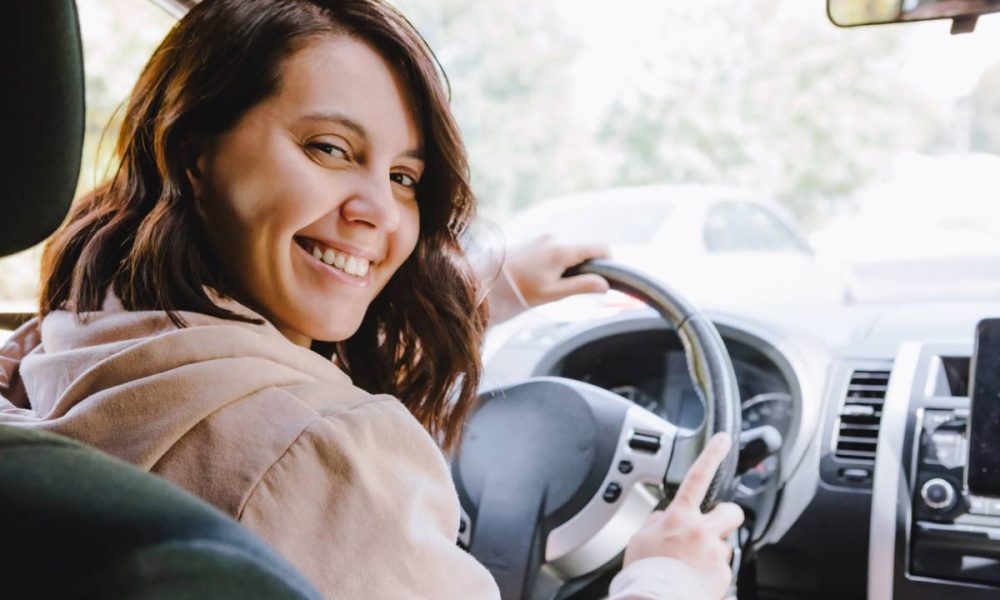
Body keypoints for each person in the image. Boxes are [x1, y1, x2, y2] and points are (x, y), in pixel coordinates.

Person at [0, 0, 743, 598]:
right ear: (196, 153)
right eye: (329, 148)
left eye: (404, 178)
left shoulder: (61, 344)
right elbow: (278, 434)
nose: (382, 215)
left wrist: (494, 287)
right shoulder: (333, 454)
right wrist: (668, 574)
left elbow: (227, 378)